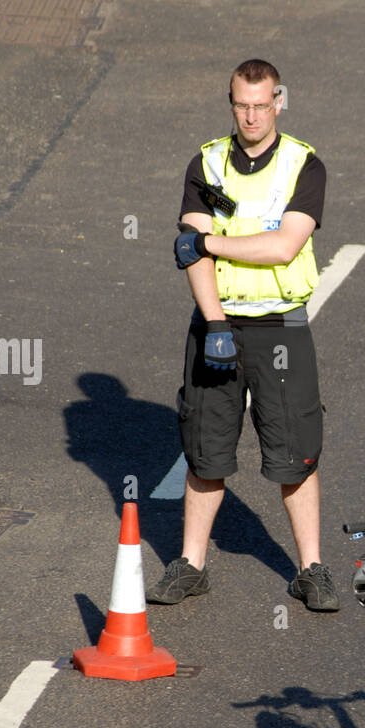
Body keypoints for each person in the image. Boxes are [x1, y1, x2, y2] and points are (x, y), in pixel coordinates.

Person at [147, 57, 338, 611]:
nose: (252, 115)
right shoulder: (207, 164)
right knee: (205, 451)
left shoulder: (305, 166)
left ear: (280, 101)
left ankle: (312, 569)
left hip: (282, 327)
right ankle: (191, 564)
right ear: (230, 103)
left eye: (262, 104)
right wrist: (214, 324)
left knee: (295, 455)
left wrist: (210, 242)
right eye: (241, 105)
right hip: (218, 323)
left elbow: (283, 247)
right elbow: (190, 251)